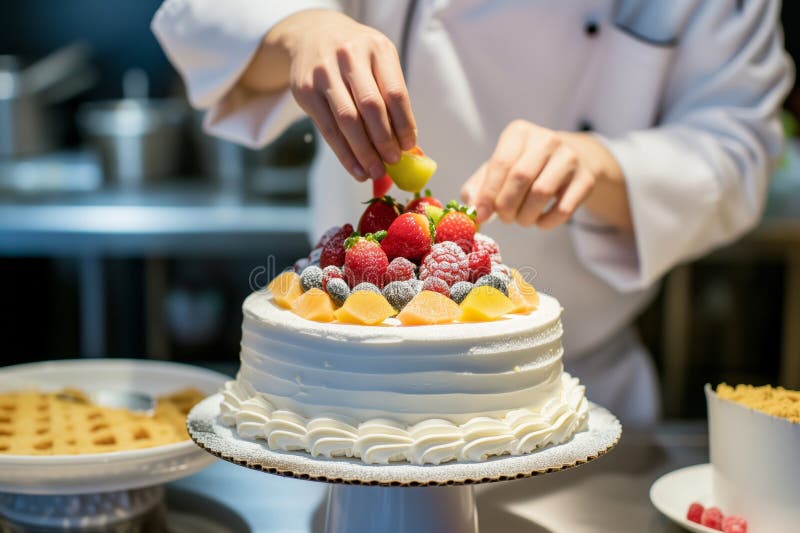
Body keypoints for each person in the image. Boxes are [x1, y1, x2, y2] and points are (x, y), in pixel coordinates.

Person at [152, 0, 793, 425]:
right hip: (350, 392)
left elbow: (737, 149)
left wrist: (601, 165)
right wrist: (304, 29)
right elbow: (201, 21)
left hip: (573, 389)